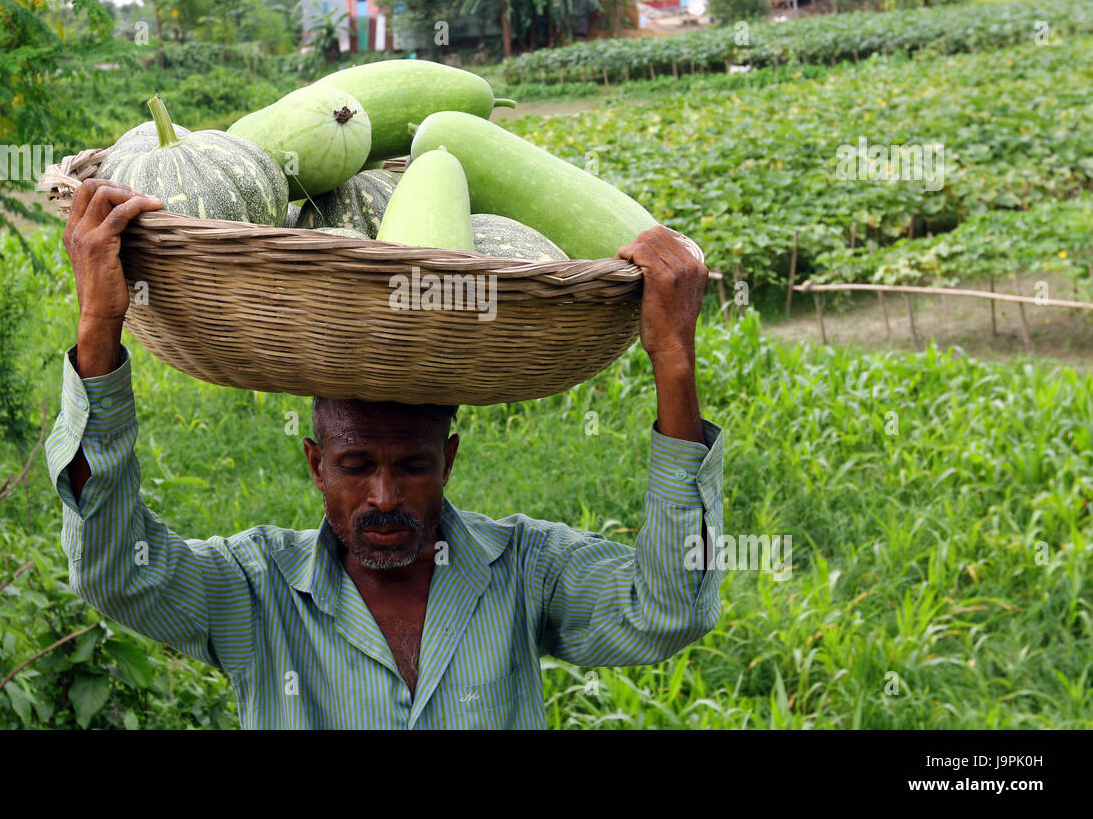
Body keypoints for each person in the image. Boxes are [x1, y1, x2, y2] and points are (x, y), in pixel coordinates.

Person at [46, 177, 725, 729]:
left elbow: (666, 613)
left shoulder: (524, 572)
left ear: (449, 461)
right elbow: (116, 576)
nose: (384, 497)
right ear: (315, 463)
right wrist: (99, 325)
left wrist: (673, 359)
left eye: (412, 466)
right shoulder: (254, 590)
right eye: (355, 465)